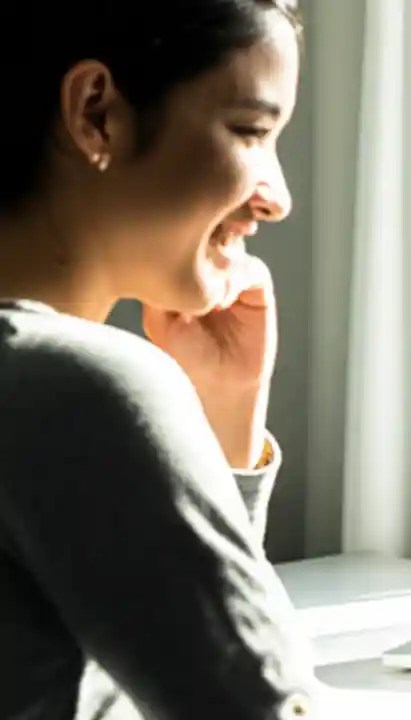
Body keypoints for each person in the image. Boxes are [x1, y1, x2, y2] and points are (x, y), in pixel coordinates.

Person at [0, 1, 321, 717]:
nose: (278, 199)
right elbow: (262, 705)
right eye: (251, 131)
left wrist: (222, 418)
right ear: (97, 114)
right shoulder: (73, 389)